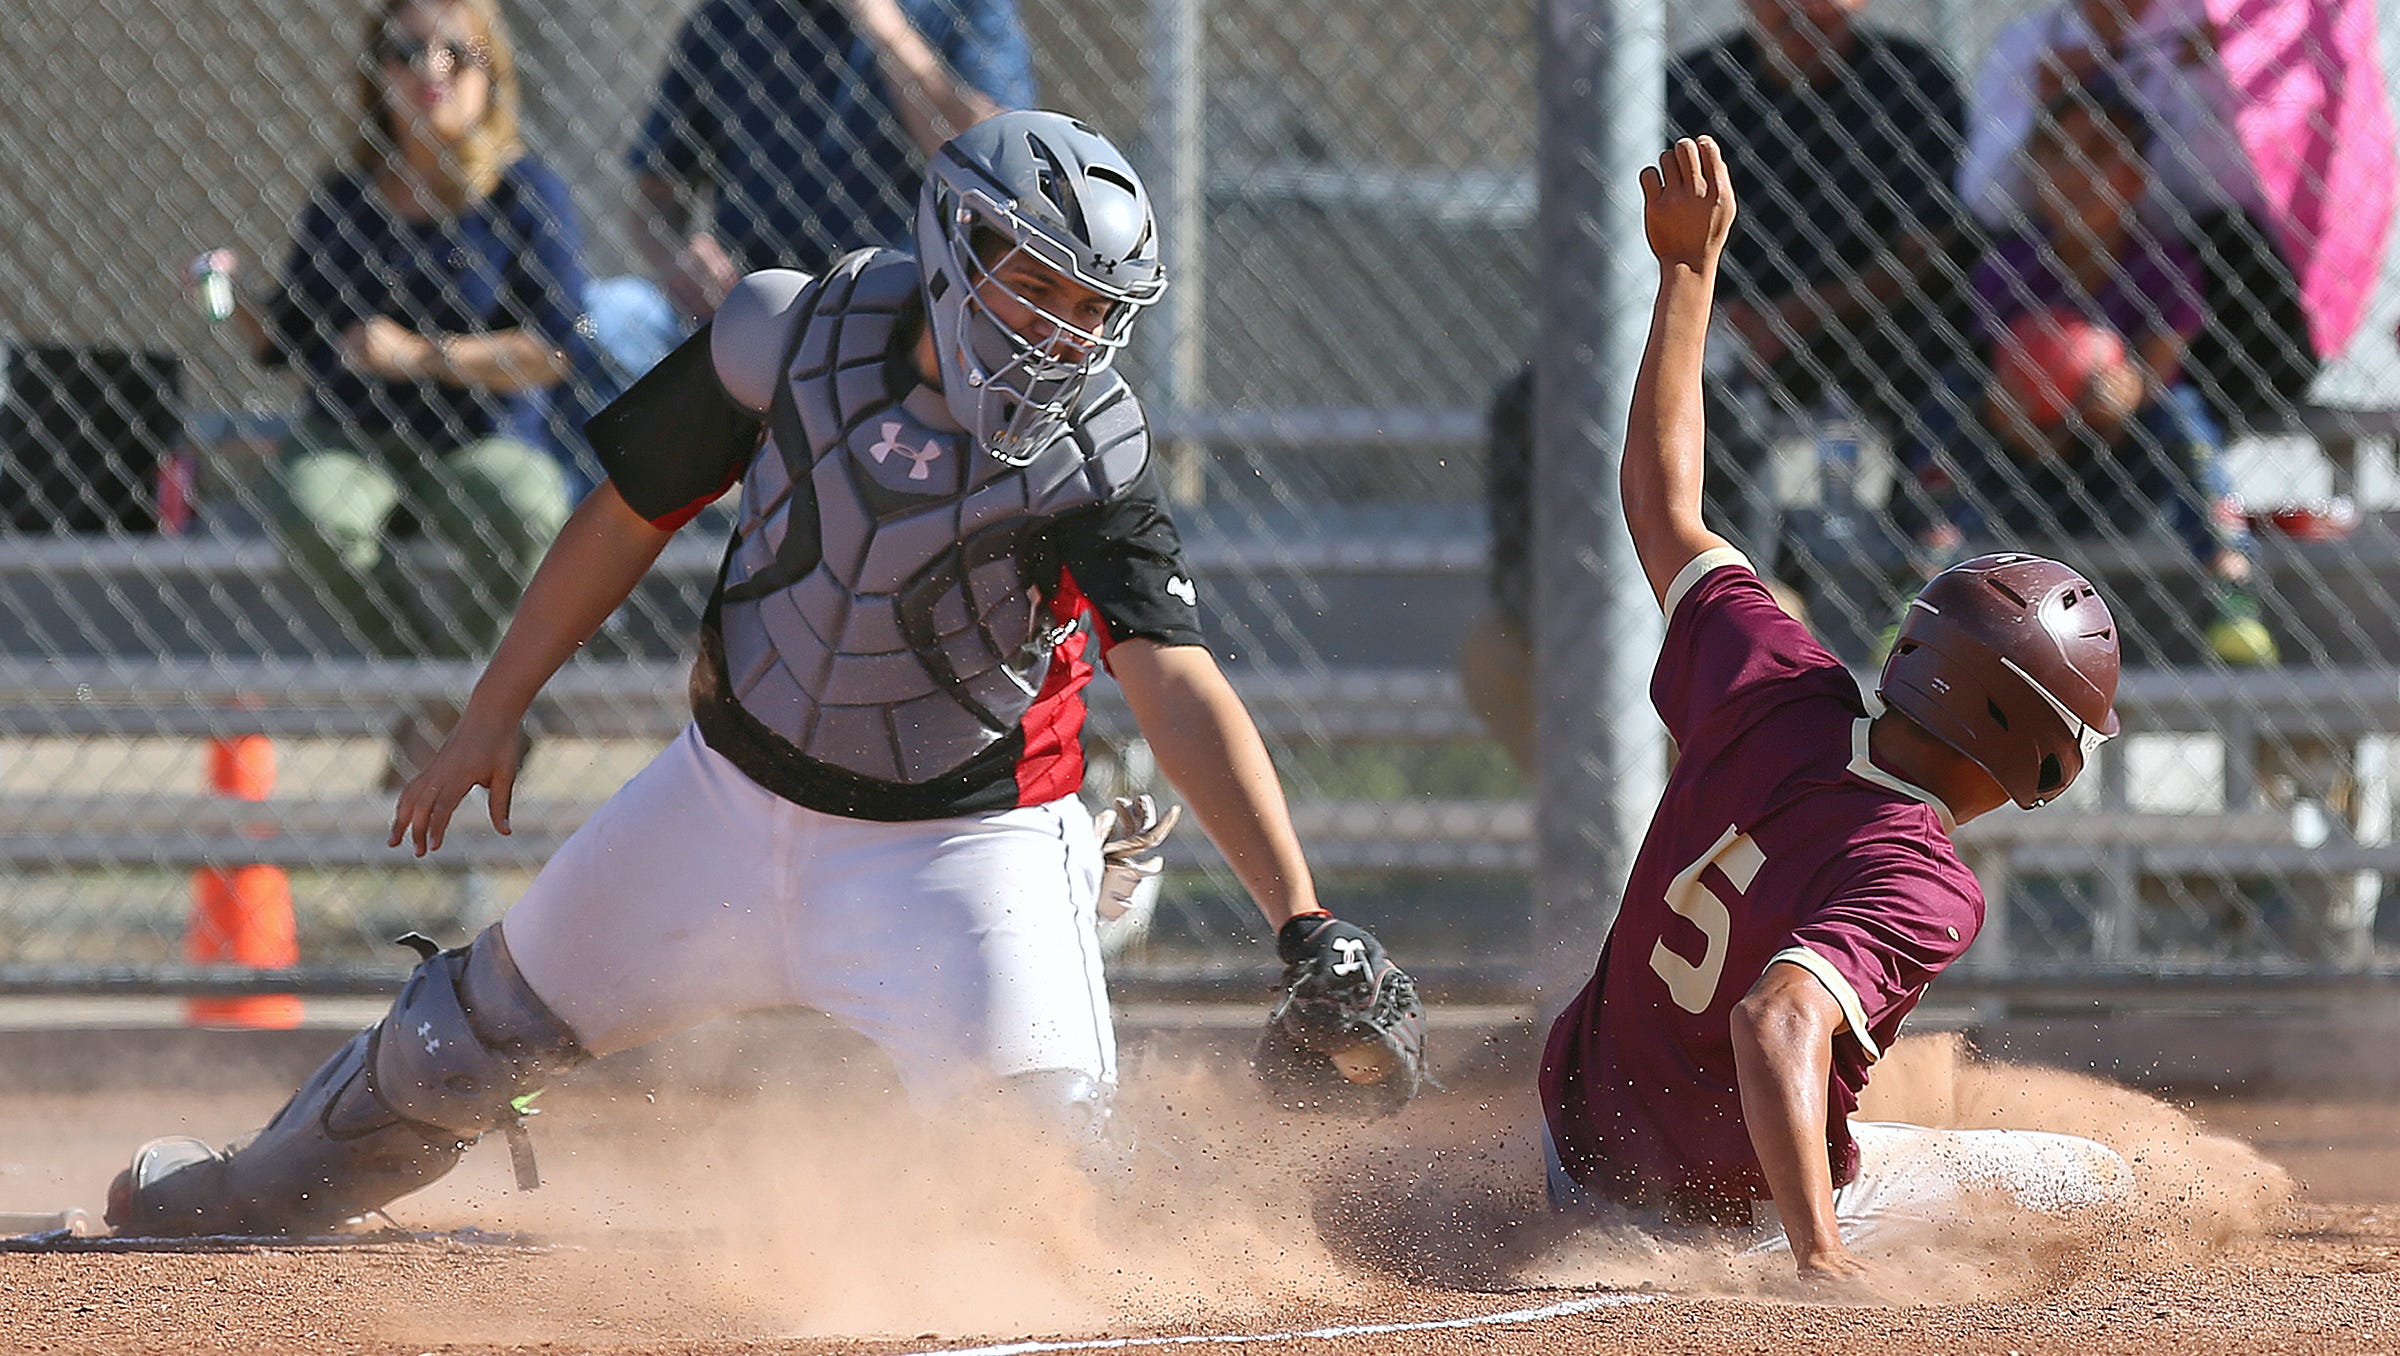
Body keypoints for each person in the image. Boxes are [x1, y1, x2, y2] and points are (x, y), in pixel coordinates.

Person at [106, 110, 1418, 1238]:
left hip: (960, 844)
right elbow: (626, 513)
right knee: (461, 1041)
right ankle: (251, 1187)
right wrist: (494, 710)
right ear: (958, 249)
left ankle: (1106, 967)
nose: (1067, 338)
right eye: (1042, 287)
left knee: (1046, 1180)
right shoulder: (788, 332)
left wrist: (1303, 920)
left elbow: (1174, 679)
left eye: (1095, 313)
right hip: (722, 803)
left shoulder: (1094, 453)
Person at [1537, 137, 2133, 1281]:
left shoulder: (1781, 683)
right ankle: (1813, 1230)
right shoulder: (1927, 874)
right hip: (1718, 1222)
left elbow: (1662, 501)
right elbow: (1775, 1023)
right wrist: (1818, 1257)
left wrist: (1688, 276)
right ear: (2036, 760)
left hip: (1573, 1147)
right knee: (2098, 1181)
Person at [196, 0, 585, 781]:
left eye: (454, 55)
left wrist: (425, 354)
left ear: (491, 73)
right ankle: (447, 710)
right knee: (314, 510)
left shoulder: (523, 191)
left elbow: (554, 349)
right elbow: (291, 339)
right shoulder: (350, 195)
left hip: (480, 434)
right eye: (406, 53)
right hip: (357, 434)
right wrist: (231, 300)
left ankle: (437, 717)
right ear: (378, 75)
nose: (428, 73)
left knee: (529, 506)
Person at [1897, 84, 2274, 666]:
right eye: (2059, 155)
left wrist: (2128, 397)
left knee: (2181, 411)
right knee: (1954, 397)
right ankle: (1923, 570)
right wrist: (2016, 420)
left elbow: (2158, 369)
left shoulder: (2162, 266)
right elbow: (2007, 377)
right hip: (2019, 472)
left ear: (2134, 177)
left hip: (2121, 472)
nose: (2077, 172)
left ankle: (2231, 582)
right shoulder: (2011, 266)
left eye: (2099, 152)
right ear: (2036, 174)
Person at [1666, 0, 1980, 561]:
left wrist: (1794, 316)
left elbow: (1925, 249)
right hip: (1726, 317)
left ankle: (1927, 556)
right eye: (1782, 9)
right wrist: (1718, 315)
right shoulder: (1695, 85)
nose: (1801, 13)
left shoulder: (1909, 80)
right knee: (1720, 395)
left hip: (1873, 316)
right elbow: (1658, 232)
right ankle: (1746, 578)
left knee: (1945, 350)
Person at [1957, 0, 2321, 429]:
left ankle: (2201, 414)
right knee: (1957, 253)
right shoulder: (2030, 43)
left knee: (2235, 243)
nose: (2080, 170)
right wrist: (2043, 110)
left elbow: (2233, 191)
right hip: (2052, 260)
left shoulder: (2210, 33)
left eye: (2094, 156)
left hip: (2171, 261)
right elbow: (1985, 200)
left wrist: (2198, 81)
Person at [628, 0, 1035, 321]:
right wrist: (677, 255)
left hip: (902, 308)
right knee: (612, 317)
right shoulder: (729, 16)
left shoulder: (965, 8)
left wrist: (884, 28)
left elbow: (989, 164)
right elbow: (653, 192)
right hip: (749, 305)